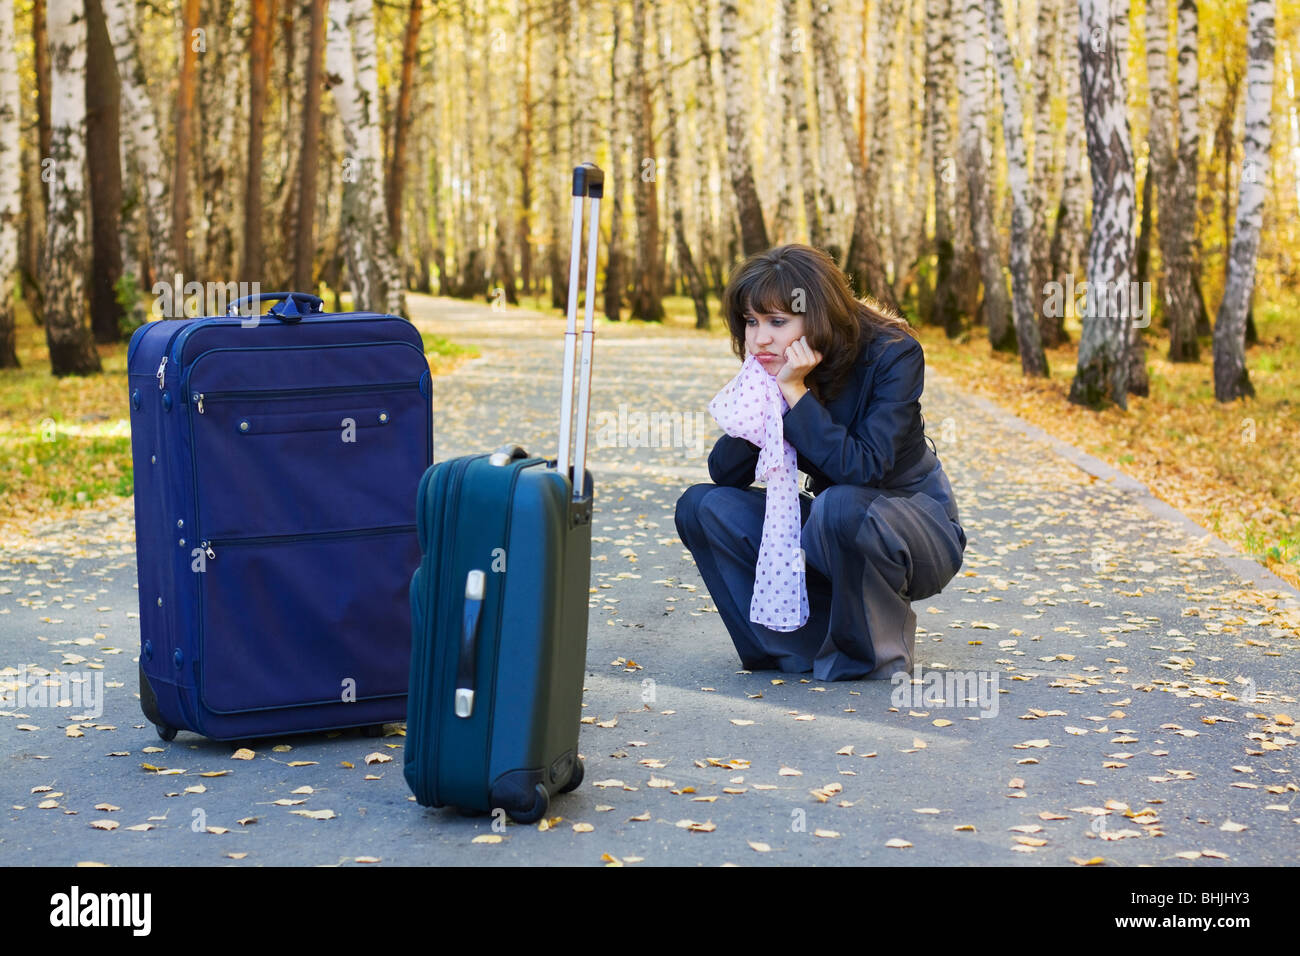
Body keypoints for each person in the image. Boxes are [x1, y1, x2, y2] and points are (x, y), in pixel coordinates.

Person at [674, 244, 968, 681]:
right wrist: (767, 396)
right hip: (830, 532)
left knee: (841, 505)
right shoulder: (773, 365)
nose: (759, 339)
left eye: (777, 322)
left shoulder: (892, 353)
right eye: (751, 322)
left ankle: (870, 655)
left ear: (816, 316)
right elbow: (726, 472)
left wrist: (795, 395)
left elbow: (864, 467)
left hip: (917, 530)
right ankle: (789, 648)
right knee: (701, 506)